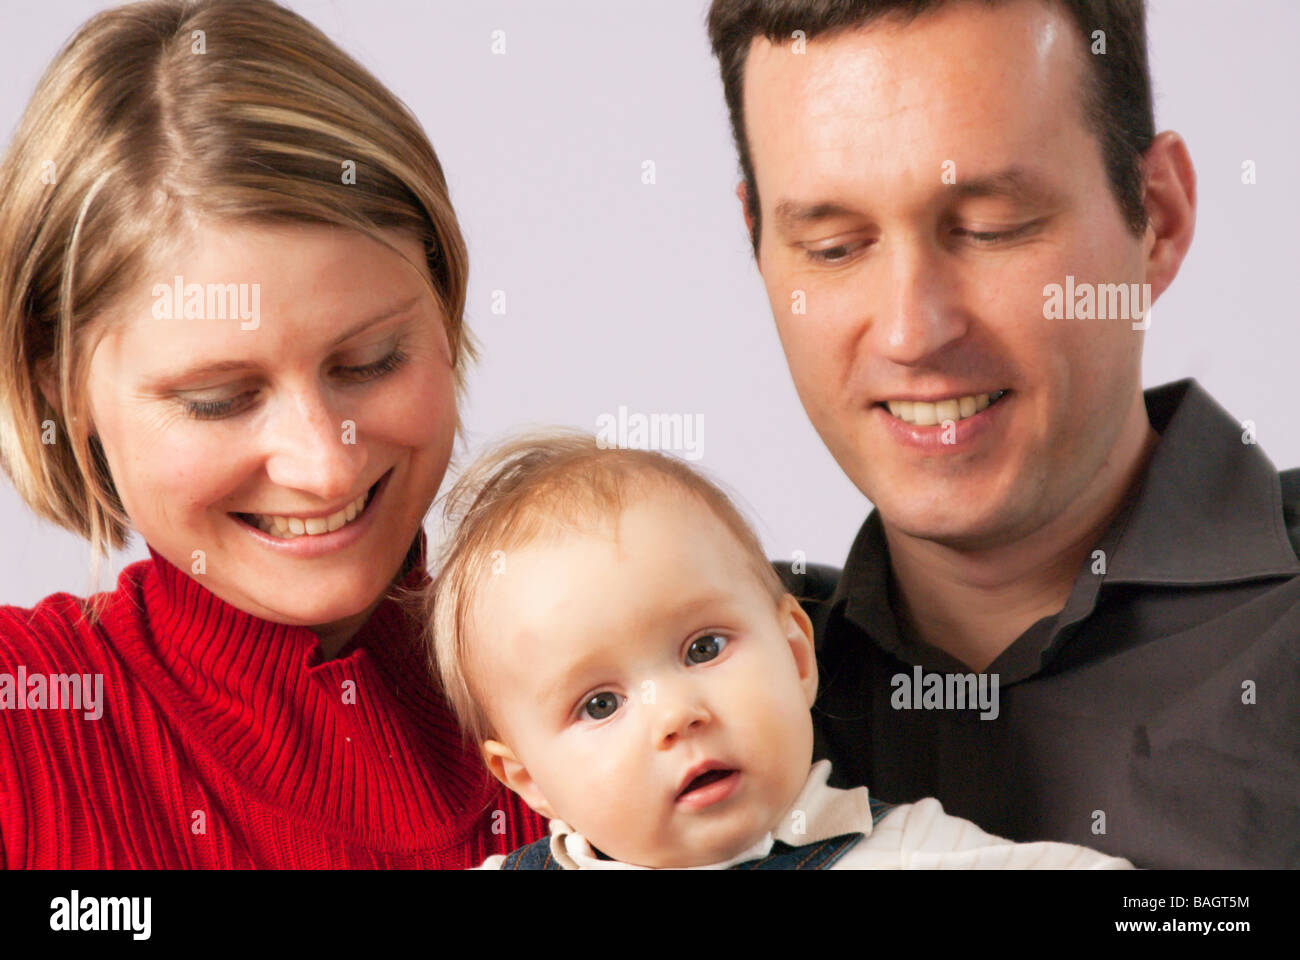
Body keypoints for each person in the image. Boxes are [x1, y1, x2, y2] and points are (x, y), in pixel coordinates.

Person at [706, 0, 1299, 868]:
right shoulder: (674, 710)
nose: (912, 332)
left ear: (1158, 219)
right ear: (759, 248)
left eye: (992, 229)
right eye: (834, 246)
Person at [0, 0, 547, 867]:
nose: (326, 467)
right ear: (59, 389)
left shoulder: (644, 677)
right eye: (218, 398)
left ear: (444, 306)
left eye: (369, 361)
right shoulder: (22, 723)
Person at [426, 430, 1132, 869]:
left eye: (703, 648)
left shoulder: (909, 855)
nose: (676, 714)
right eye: (600, 704)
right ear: (529, 783)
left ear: (796, 654)